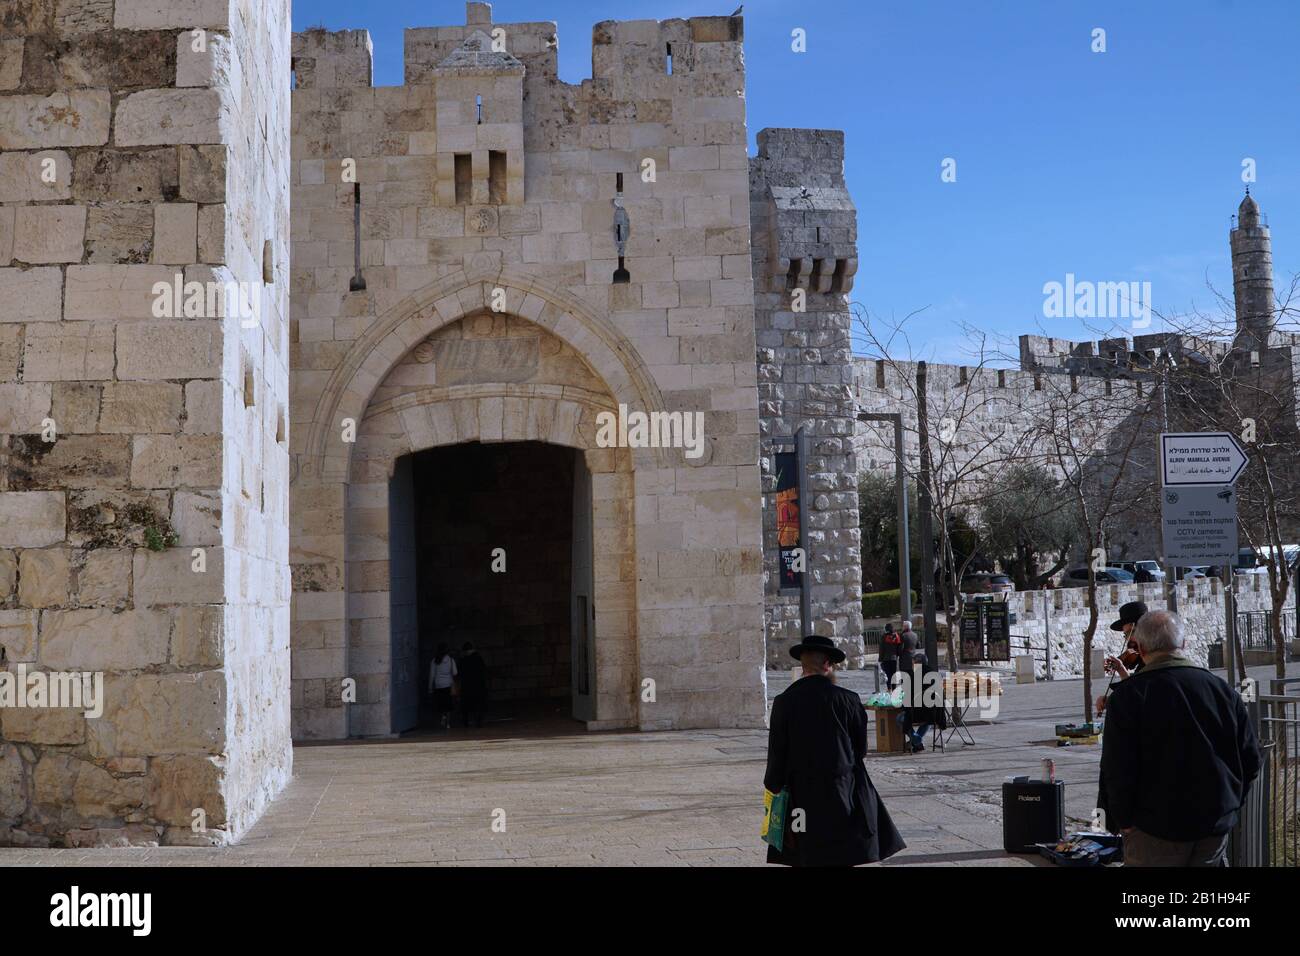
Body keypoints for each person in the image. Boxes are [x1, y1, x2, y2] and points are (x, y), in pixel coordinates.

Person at [1099, 611, 1261, 866]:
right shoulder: (1221, 690)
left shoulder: (1129, 696)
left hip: (1153, 829)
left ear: (1140, 648)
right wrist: (1228, 805)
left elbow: (1117, 769)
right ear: (1183, 644)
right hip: (1212, 824)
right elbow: (1250, 758)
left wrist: (1123, 821)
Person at [764, 635, 906, 866]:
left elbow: (777, 753)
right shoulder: (848, 700)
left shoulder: (784, 702)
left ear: (802, 666)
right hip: (842, 792)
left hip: (802, 796)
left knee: (805, 853)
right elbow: (860, 750)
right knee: (841, 854)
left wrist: (774, 785)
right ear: (828, 665)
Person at [896, 632, 945, 752]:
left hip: (916, 713)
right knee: (928, 720)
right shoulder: (936, 675)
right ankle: (917, 743)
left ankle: (917, 740)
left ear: (916, 664)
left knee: (899, 718)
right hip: (935, 713)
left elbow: (906, 699)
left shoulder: (911, 676)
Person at [1095, 601, 1147, 716]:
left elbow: (1137, 694)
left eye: (1130, 632)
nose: (1128, 640)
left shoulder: (1152, 657)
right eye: (1126, 635)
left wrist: (1121, 670)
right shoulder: (1137, 653)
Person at [427, 642, 458, 730]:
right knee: (448, 705)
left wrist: (430, 688)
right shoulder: (451, 660)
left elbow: (431, 675)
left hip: (438, 685)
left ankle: (442, 716)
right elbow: (455, 672)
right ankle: (448, 723)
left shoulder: (434, 661)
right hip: (448, 685)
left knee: (440, 704)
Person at [458, 641, 487, 728]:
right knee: (478, 705)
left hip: (467, 686)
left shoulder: (464, 660)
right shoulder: (479, 658)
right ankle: (478, 722)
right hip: (478, 685)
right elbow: (483, 671)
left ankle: (466, 722)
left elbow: (460, 672)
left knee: (466, 706)